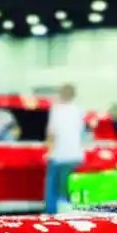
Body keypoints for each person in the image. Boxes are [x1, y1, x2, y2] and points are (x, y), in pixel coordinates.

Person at [44, 84, 86, 214]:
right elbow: (81, 132)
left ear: (60, 94)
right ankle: (70, 212)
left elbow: (52, 134)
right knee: (68, 187)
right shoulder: (79, 111)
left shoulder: (57, 110)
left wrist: (49, 151)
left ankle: (52, 215)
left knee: (52, 189)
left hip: (59, 155)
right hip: (76, 156)